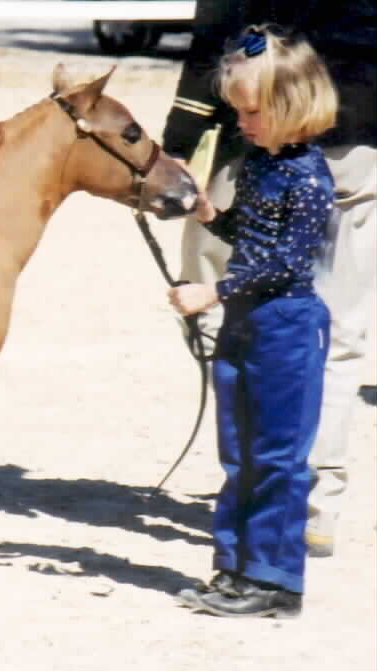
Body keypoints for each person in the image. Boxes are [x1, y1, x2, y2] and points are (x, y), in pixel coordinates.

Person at [162, 0, 377, 558]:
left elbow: (217, 25)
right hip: (360, 131)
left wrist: (182, 136)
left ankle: (261, 489)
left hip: (261, 131)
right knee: (340, 332)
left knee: (231, 320)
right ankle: (313, 504)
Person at [168, 25, 337, 618]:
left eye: (252, 112)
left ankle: (275, 580)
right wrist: (213, 215)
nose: (242, 122)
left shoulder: (310, 179)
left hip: (286, 327)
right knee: (239, 453)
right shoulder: (262, 165)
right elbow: (249, 234)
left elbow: (288, 264)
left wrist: (213, 291)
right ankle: (235, 568)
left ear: (293, 108)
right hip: (247, 323)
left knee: (278, 459)